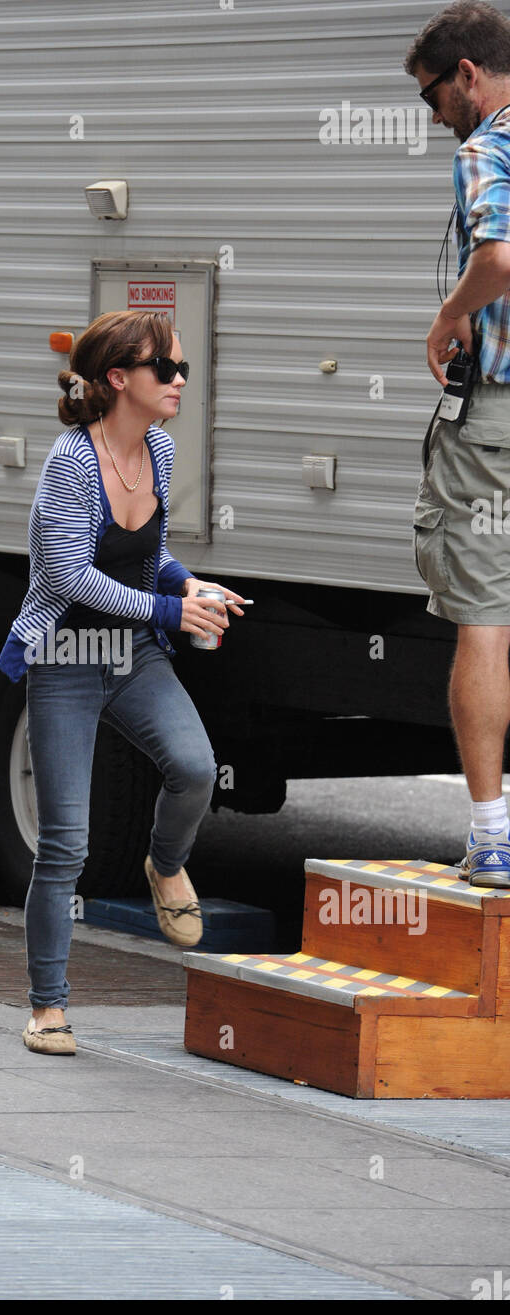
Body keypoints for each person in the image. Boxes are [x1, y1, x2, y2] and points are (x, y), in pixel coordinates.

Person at [0, 309, 246, 1054]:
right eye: (164, 370)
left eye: (181, 370)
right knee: (65, 843)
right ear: (117, 379)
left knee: (197, 768)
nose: (178, 382)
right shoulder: (72, 462)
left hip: (131, 651)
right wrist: (174, 612)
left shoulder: (161, 452)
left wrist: (190, 584)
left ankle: (164, 865)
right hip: (67, 657)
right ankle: (47, 1007)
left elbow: (149, 554)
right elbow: (68, 575)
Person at [406, 2, 510, 885]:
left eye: (434, 95)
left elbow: (501, 256)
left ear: (469, 74)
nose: (435, 114)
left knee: (484, 617)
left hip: (501, 424)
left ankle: (491, 834)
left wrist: (451, 314)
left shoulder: (487, 149)